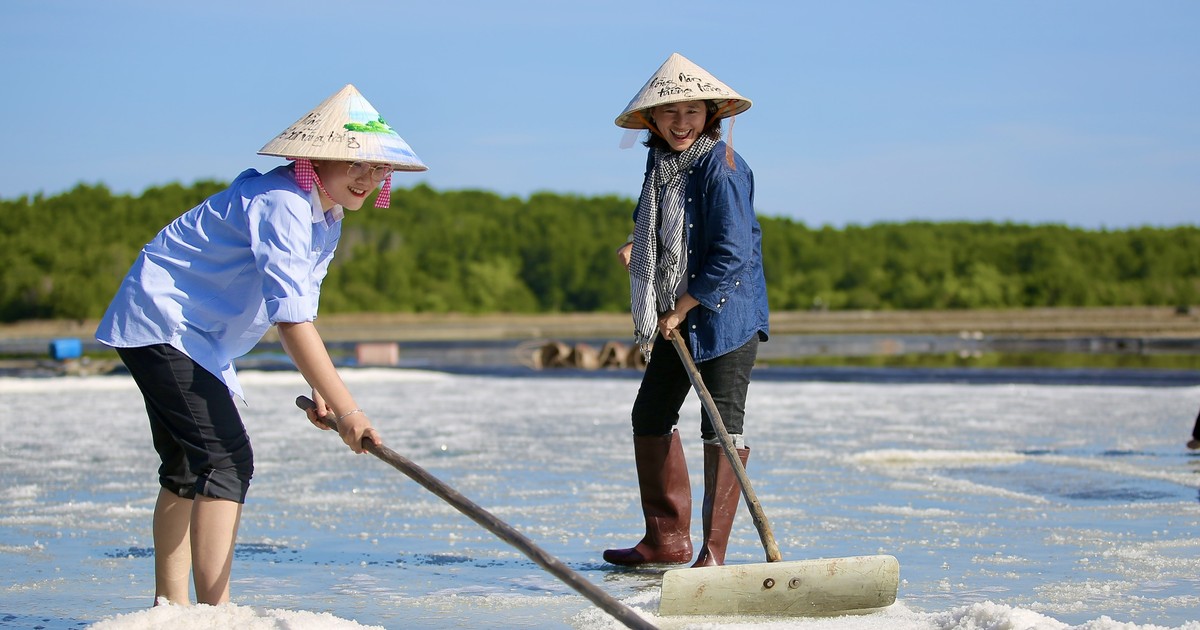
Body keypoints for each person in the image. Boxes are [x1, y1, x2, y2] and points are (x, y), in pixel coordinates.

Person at [95, 84, 427, 606]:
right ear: (314, 159)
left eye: (379, 170)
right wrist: (349, 409)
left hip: (192, 337)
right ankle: (212, 611)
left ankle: (170, 607)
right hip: (164, 323)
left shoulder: (326, 214)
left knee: (187, 465)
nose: (369, 179)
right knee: (225, 462)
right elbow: (290, 320)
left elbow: (299, 310)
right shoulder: (284, 203)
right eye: (355, 165)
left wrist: (321, 392)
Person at [604, 53, 769, 568]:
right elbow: (674, 234)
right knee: (650, 414)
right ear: (651, 120)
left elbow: (731, 252)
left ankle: (712, 556)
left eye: (693, 112)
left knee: (721, 426)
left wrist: (682, 305)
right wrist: (641, 246)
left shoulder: (721, 167)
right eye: (670, 112)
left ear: (711, 115)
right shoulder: (662, 167)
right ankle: (665, 541)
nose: (681, 122)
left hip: (725, 314)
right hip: (681, 315)